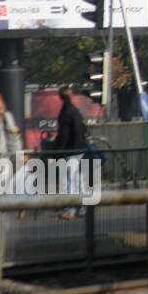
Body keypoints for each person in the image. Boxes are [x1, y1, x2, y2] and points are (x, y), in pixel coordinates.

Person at [50, 87, 87, 219]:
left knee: (69, 180)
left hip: (71, 149)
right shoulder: (76, 111)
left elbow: (63, 135)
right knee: (78, 179)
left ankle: (71, 210)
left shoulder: (65, 112)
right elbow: (83, 128)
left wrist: (56, 152)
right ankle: (83, 209)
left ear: (60, 97)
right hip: (81, 148)